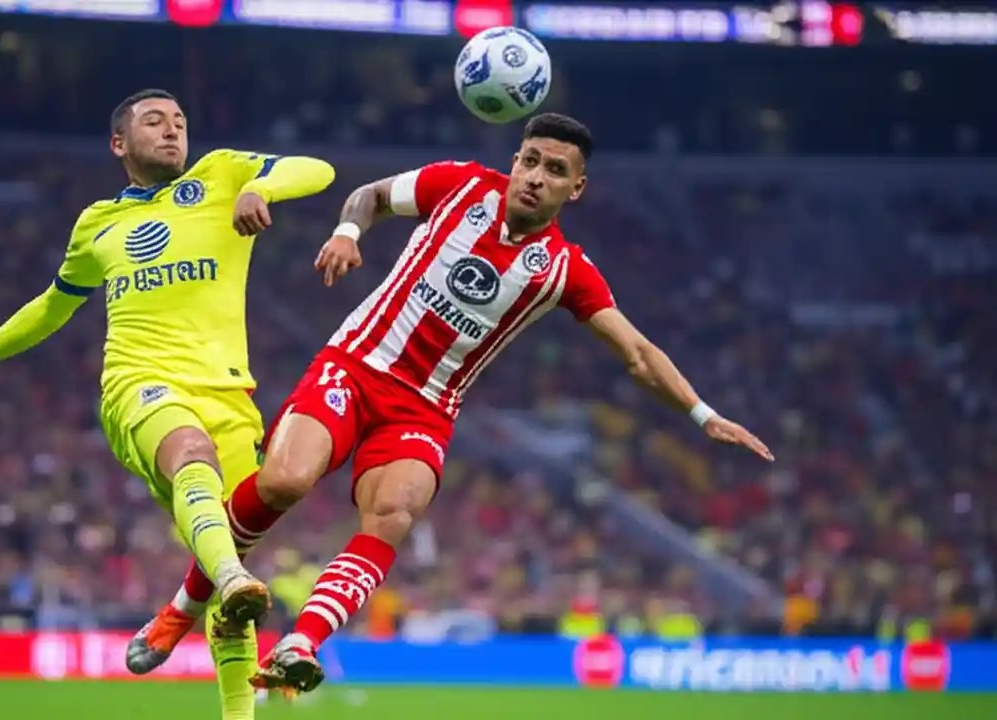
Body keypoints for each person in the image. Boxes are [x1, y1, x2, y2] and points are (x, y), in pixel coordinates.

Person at [142, 112, 773, 693]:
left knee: (393, 515)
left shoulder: (564, 270)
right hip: (357, 365)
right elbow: (371, 196)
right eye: (530, 159)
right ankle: (185, 606)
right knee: (281, 480)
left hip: (423, 410)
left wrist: (704, 414)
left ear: (575, 189)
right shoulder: (460, 186)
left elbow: (635, 351)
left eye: (555, 170)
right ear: (514, 158)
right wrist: (347, 230)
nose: (534, 177)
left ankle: (302, 644)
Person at [0, 88, 334, 719]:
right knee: (203, 492)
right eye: (154, 122)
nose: (172, 132)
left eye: (180, 122)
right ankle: (224, 581)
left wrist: (262, 189)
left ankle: (211, 649)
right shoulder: (97, 224)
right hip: (139, 384)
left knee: (227, 575)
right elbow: (52, 307)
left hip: (230, 397)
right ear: (119, 143)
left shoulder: (221, 174)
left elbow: (319, 171)